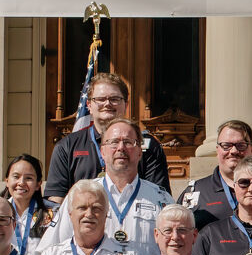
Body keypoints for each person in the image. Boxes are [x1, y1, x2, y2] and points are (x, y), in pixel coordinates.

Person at [43, 119, 172, 255]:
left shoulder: (161, 199)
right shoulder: (81, 195)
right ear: (102, 152)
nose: (121, 148)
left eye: (128, 142)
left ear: (140, 151)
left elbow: (176, 254)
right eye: (113, 142)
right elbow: (52, 246)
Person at [43, 70, 172, 204]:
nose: (107, 104)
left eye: (114, 99)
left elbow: (159, 197)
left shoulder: (147, 145)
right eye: (100, 99)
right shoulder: (67, 146)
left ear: (126, 105)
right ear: (89, 105)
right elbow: (55, 201)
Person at [180, 119, 252, 226]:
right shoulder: (196, 192)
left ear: (251, 149)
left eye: (241, 145)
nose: (234, 151)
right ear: (217, 150)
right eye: (226, 145)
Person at [2, 152, 55, 255]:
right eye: (16, 177)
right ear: (7, 181)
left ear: (38, 184)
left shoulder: (53, 213)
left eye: (29, 178)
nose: (21, 182)